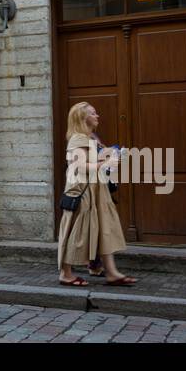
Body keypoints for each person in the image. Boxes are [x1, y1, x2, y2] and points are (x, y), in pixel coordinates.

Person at [57, 102, 137, 288]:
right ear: (82, 118)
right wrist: (106, 164)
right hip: (83, 194)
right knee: (77, 232)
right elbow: (79, 167)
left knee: (104, 231)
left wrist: (111, 157)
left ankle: (112, 273)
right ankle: (66, 274)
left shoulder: (90, 138)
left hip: (97, 193)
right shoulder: (78, 139)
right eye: (93, 113)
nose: (97, 115)